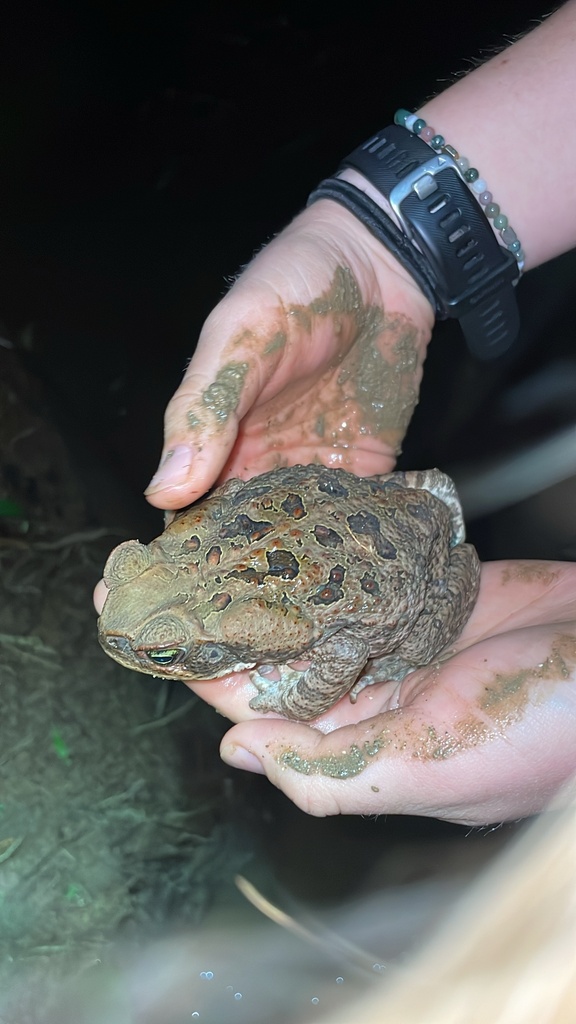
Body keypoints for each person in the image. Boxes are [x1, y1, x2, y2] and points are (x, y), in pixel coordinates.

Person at [95, 1, 576, 826]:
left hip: (408, 557)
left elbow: (347, 643)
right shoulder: (212, 561)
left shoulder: (267, 631)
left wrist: (297, 688)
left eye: (166, 652)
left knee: (389, 636)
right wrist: (381, 242)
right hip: (366, 511)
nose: (134, 643)